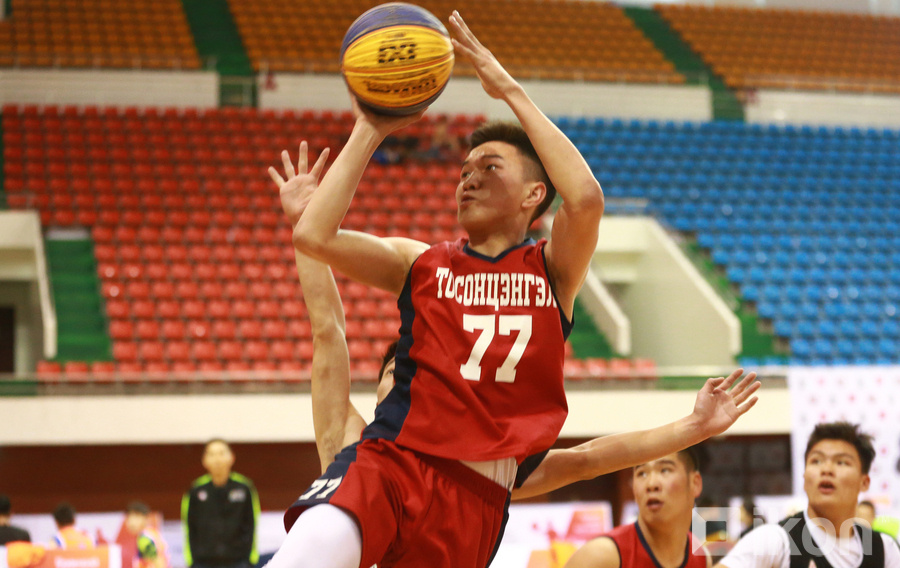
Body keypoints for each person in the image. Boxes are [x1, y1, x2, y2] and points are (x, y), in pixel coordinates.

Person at [276, 140, 761, 499]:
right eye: (392, 378)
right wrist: (304, 224)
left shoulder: (490, 471)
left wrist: (693, 427)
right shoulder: (349, 442)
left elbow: (589, 459)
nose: (400, 387)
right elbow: (327, 329)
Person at [715, 422, 900, 568]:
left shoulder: (885, 549)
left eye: (841, 462)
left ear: (864, 482)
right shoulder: (774, 540)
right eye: (816, 460)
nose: (826, 469)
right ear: (804, 477)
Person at [563, 447, 710, 568]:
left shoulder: (701, 557)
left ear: (695, 483)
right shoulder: (601, 555)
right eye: (642, 473)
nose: (651, 484)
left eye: (665, 470)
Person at [182, 439, 259, 568]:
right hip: (203, 562)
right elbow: (189, 527)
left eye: (222, 453)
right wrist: (191, 561)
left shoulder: (244, 488)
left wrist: (250, 560)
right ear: (204, 460)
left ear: (232, 457)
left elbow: (252, 523)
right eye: (212, 454)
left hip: (239, 562)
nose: (217, 459)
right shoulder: (196, 490)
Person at [123, 502, 169, 568]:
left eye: (136, 517)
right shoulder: (152, 533)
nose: (131, 522)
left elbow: (159, 562)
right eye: (129, 517)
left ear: (146, 519)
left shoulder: (144, 539)